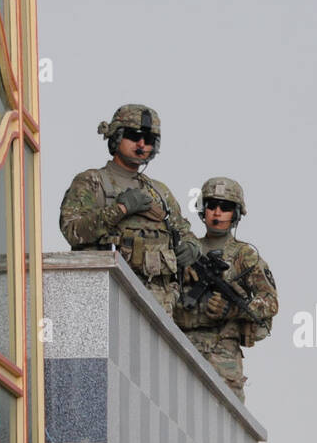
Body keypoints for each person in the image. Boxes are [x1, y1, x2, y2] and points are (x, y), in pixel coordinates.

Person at [58, 104, 200, 315]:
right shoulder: (93, 181)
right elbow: (72, 230)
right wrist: (121, 209)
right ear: (117, 136)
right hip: (108, 300)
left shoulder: (159, 191)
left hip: (158, 308)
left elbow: (183, 231)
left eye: (149, 140)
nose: (142, 144)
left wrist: (191, 246)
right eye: (134, 136)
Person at [172, 177, 277, 401]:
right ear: (203, 209)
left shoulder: (244, 255)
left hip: (223, 353)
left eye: (226, 207)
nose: (217, 212)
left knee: (222, 421)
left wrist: (233, 310)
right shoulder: (187, 250)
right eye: (212, 205)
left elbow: (270, 301)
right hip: (181, 342)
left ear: (236, 213)